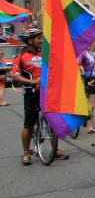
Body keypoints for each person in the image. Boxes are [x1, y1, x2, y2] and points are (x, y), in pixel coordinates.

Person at [12, 27, 70, 165]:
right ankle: (26, 152)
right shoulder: (21, 56)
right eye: (38, 38)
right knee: (29, 123)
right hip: (31, 94)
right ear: (30, 41)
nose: (41, 41)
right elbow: (15, 75)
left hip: (47, 93)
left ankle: (54, 149)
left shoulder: (45, 53)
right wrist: (32, 82)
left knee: (52, 121)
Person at [78, 40, 95, 132]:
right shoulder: (84, 53)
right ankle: (90, 126)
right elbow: (78, 63)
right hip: (90, 79)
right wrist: (83, 70)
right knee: (92, 104)